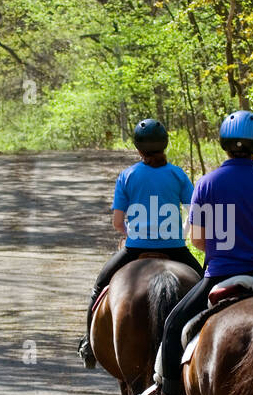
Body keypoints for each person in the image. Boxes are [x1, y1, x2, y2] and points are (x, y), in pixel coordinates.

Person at [135, 110, 253, 395]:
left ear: (224, 144)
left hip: (222, 275)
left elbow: (196, 240)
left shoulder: (208, 184)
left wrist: (219, 247)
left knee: (173, 326)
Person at [78, 119, 204, 368]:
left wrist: (129, 232)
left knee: (99, 286)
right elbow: (194, 211)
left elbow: (117, 222)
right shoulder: (177, 175)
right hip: (175, 249)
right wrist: (183, 232)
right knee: (204, 288)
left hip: (135, 248)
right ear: (165, 144)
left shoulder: (128, 176)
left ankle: (89, 345)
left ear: (138, 148)